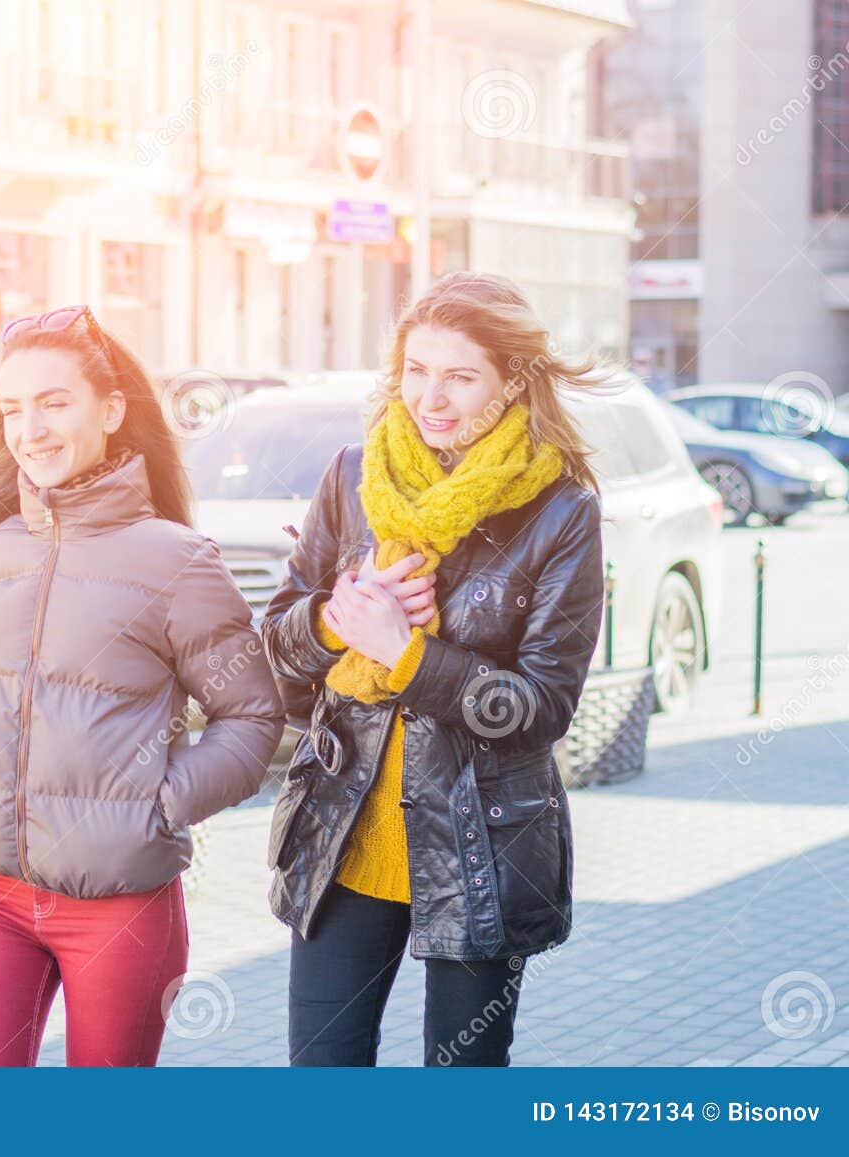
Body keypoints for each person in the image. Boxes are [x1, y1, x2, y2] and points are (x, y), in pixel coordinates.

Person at [0, 305, 283, 1067]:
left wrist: (159, 802)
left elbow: (251, 716)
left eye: (54, 402)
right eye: (13, 408)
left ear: (112, 410)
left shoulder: (176, 559)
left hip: (117, 907)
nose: (31, 429)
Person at [262, 271, 607, 1067]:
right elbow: (278, 651)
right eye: (417, 370)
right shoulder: (353, 475)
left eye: (460, 375)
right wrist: (332, 619)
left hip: (479, 846)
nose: (432, 397)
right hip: (343, 834)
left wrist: (407, 655)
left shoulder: (560, 511)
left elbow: (542, 707)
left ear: (512, 380)